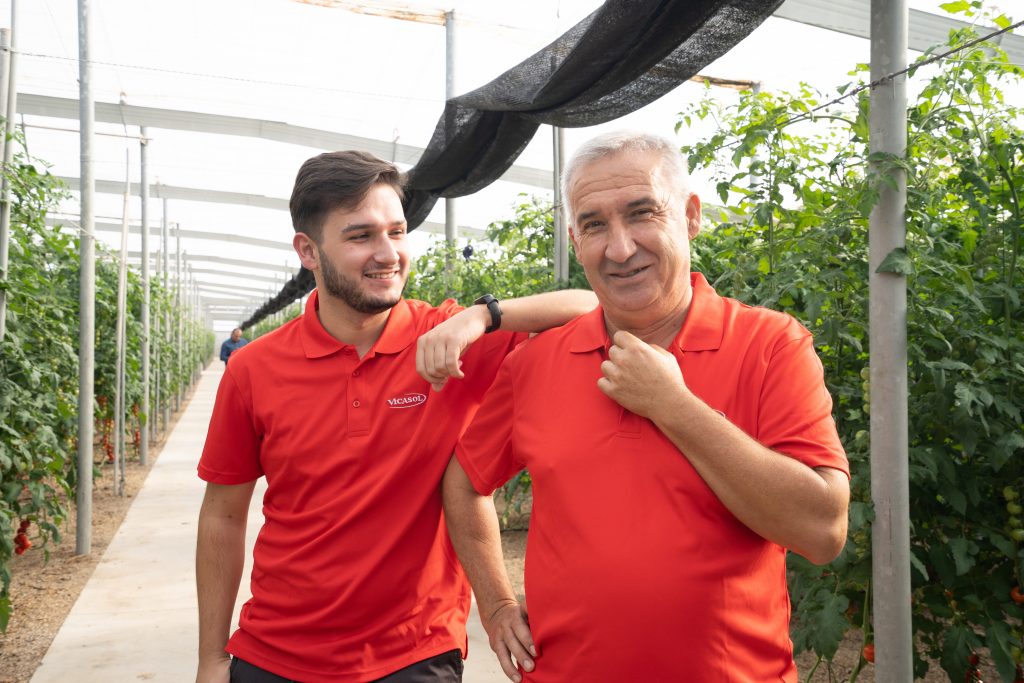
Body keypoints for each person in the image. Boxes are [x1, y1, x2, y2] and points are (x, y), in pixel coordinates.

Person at [443, 131, 851, 683]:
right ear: (573, 238)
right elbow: (465, 481)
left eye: (642, 214)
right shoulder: (537, 363)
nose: (619, 248)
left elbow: (822, 531)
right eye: (593, 225)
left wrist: (674, 406)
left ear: (691, 216)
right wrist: (493, 606)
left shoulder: (769, 345)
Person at [195, 150, 597, 683]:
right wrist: (210, 658)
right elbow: (223, 515)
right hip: (276, 653)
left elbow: (594, 309)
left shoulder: (449, 340)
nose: (389, 254)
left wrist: (483, 315)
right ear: (308, 251)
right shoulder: (253, 369)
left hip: (414, 653)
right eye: (360, 236)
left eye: (398, 231)